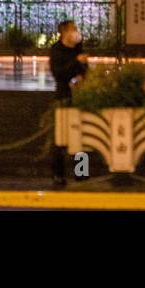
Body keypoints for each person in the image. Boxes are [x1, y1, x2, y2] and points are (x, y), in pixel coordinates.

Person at [48, 19, 89, 187]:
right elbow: (59, 74)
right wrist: (77, 62)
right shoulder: (56, 51)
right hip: (64, 97)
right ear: (64, 33)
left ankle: (82, 173)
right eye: (73, 29)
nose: (76, 32)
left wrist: (82, 74)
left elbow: (85, 70)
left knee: (82, 136)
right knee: (60, 138)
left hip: (80, 97)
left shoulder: (79, 49)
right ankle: (58, 175)